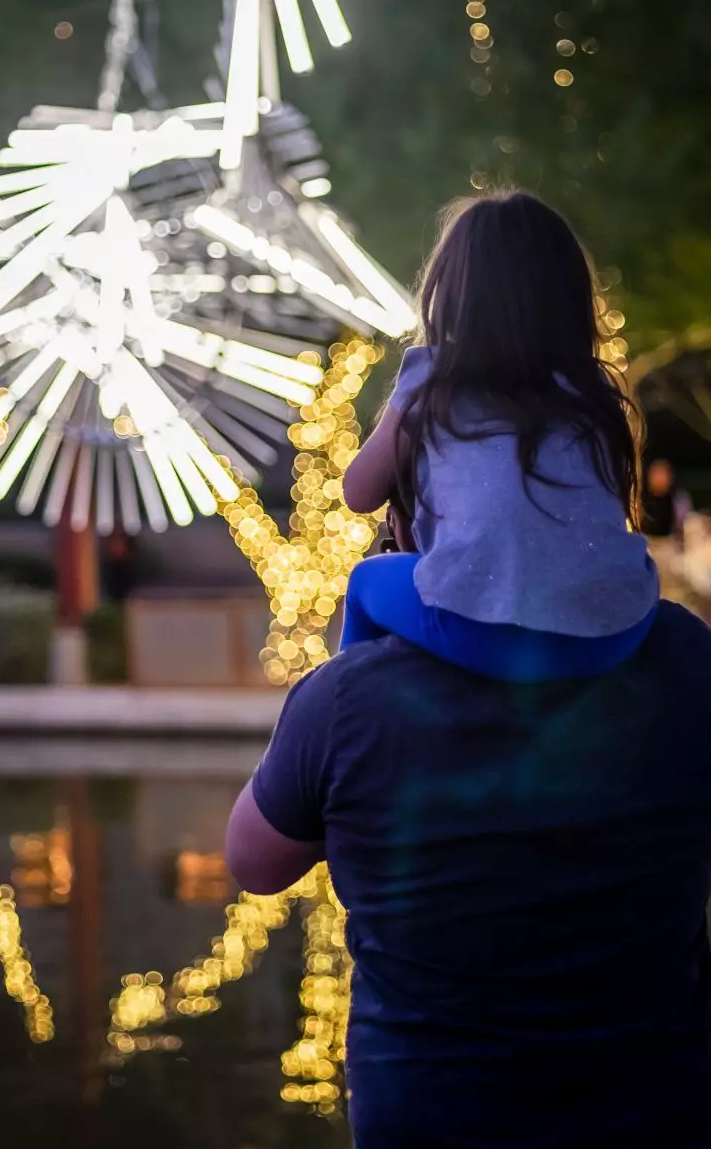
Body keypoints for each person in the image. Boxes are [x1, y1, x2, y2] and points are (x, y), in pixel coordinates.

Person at [225, 194, 711, 1148]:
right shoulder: (688, 659)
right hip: (657, 1112)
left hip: (432, 1115)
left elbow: (252, 861)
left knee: (368, 592)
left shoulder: (343, 703)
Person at [341, 191, 659, 682]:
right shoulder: (594, 391)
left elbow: (359, 492)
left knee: (365, 581)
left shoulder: (434, 380)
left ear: (452, 293)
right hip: (610, 634)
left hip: (482, 634)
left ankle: (346, 714)